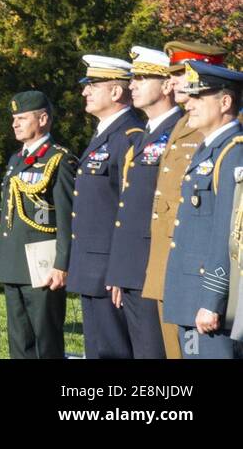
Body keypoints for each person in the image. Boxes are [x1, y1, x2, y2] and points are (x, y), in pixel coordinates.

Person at [144, 41, 226, 358]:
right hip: (170, 256)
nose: (174, 81)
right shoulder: (181, 123)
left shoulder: (220, 129)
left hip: (200, 265)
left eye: (182, 73)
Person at [163, 61, 243, 359]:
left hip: (210, 304)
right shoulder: (210, 149)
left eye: (199, 97)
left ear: (225, 102)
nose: (190, 104)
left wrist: (212, 299)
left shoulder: (233, 153)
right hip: (191, 295)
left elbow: (229, 234)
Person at [69, 54, 143, 358]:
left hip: (109, 271)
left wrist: (119, 271)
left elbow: (131, 211)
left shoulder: (129, 136)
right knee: (97, 350)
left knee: (112, 352)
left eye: (93, 85)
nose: (85, 91)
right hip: (92, 268)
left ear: (115, 92)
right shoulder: (105, 134)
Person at [0, 90, 78, 359]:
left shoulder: (59, 159)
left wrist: (62, 263)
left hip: (43, 264)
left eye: (22, 118)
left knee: (46, 341)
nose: (14, 123)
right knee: (19, 342)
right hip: (14, 262)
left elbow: (67, 217)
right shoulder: (15, 160)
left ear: (43, 119)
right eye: (13, 118)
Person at [106, 47, 178, 358]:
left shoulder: (178, 132)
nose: (132, 84)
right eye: (133, 78)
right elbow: (130, 207)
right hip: (135, 268)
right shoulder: (145, 135)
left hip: (156, 266)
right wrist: (121, 271)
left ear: (166, 85)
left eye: (142, 77)